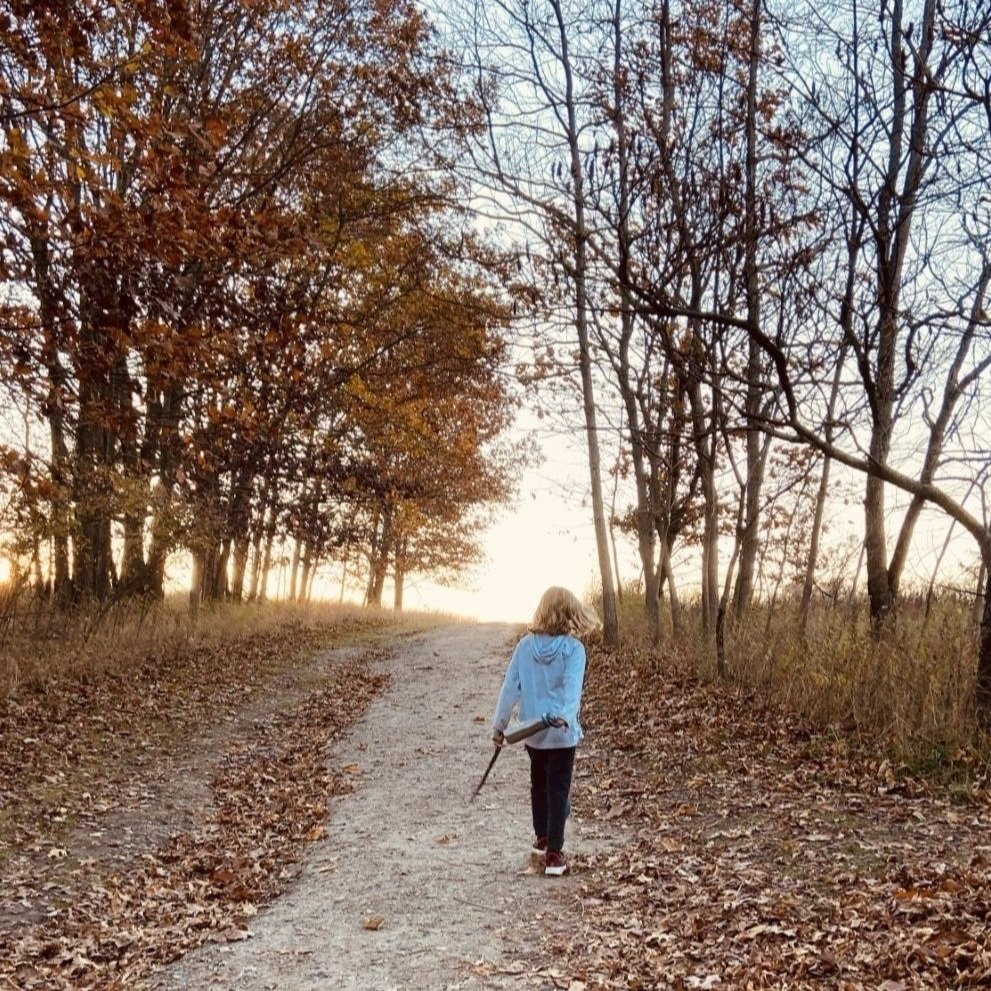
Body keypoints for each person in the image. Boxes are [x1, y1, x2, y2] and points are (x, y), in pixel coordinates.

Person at [491, 586, 599, 877]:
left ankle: (543, 839)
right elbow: (572, 688)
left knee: (539, 785)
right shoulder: (573, 649)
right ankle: (554, 854)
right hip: (561, 733)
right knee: (558, 789)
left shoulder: (525, 647)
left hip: (533, 733)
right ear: (570, 613)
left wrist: (499, 726)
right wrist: (565, 716)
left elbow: (509, 688)